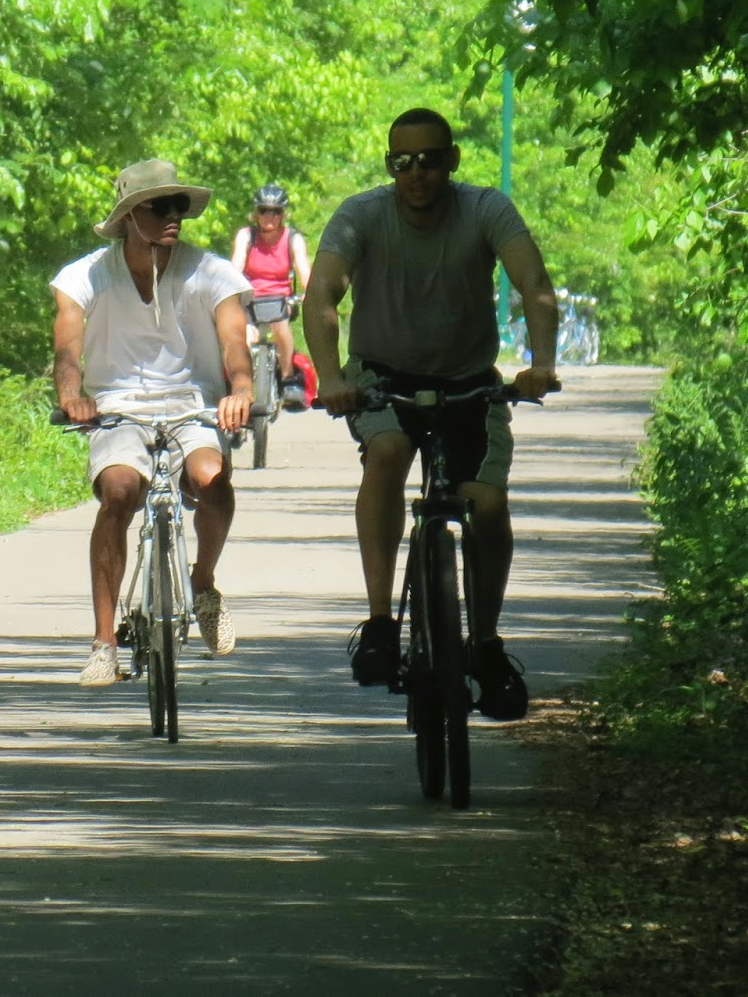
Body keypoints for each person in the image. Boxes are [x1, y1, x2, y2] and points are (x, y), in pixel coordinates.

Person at [302, 108, 559, 721]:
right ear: (390, 166)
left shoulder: (486, 209)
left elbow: (534, 284)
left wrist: (541, 364)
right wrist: (333, 379)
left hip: (469, 384)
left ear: (452, 160)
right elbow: (322, 295)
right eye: (401, 162)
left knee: (488, 506)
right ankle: (381, 624)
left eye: (429, 160)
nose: (416, 174)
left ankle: (488, 647)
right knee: (387, 455)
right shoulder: (362, 215)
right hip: (381, 381)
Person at [51, 159, 254, 687]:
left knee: (211, 478)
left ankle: (203, 584)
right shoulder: (85, 276)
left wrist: (241, 391)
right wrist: (73, 397)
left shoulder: (210, 271)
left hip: (194, 403)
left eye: (178, 206)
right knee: (118, 492)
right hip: (119, 406)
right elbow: (66, 346)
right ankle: (103, 643)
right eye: (158, 206)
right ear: (127, 216)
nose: (173, 216)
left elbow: (234, 339)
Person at [231, 183, 312, 407]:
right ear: (256, 212)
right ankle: (241, 388)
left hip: (280, 299)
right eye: (264, 210)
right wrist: (228, 290)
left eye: (276, 211)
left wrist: (312, 293)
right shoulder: (246, 236)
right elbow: (235, 267)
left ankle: (287, 378)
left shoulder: (292, 239)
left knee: (279, 326)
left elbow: (304, 269)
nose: (270, 216)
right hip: (249, 298)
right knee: (246, 338)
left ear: (283, 214)